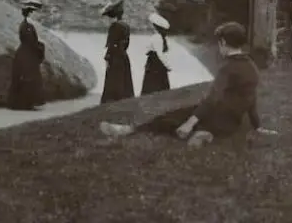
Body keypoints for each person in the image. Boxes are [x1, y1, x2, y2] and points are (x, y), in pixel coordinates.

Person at [99, 22, 278, 148]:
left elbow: (212, 99)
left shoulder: (228, 68)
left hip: (216, 116)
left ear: (223, 43)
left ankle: (127, 130)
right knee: (188, 118)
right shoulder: (251, 67)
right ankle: (206, 134)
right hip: (232, 123)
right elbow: (251, 99)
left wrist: (189, 123)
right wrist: (257, 126)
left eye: (219, 44)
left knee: (171, 119)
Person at [8, 0, 47, 111]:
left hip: (27, 54)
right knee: (27, 78)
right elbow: (30, 41)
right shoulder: (27, 26)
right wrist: (40, 47)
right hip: (26, 55)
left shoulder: (28, 25)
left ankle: (27, 103)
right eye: (35, 12)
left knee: (29, 78)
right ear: (30, 13)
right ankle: (23, 104)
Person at [100, 0, 134, 104]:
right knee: (124, 81)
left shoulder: (114, 27)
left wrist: (107, 57)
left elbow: (111, 44)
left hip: (115, 58)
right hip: (123, 56)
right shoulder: (126, 26)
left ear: (112, 17)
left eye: (108, 17)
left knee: (113, 81)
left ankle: (111, 101)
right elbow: (126, 44)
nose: (107, 20)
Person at [141, 12, 172, 95]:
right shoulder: (159, 37)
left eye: (153, 25)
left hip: (155, 63)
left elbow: (159, 54)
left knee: (153, 83)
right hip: (156, 62)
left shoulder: (156, 37)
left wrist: (167, 65)